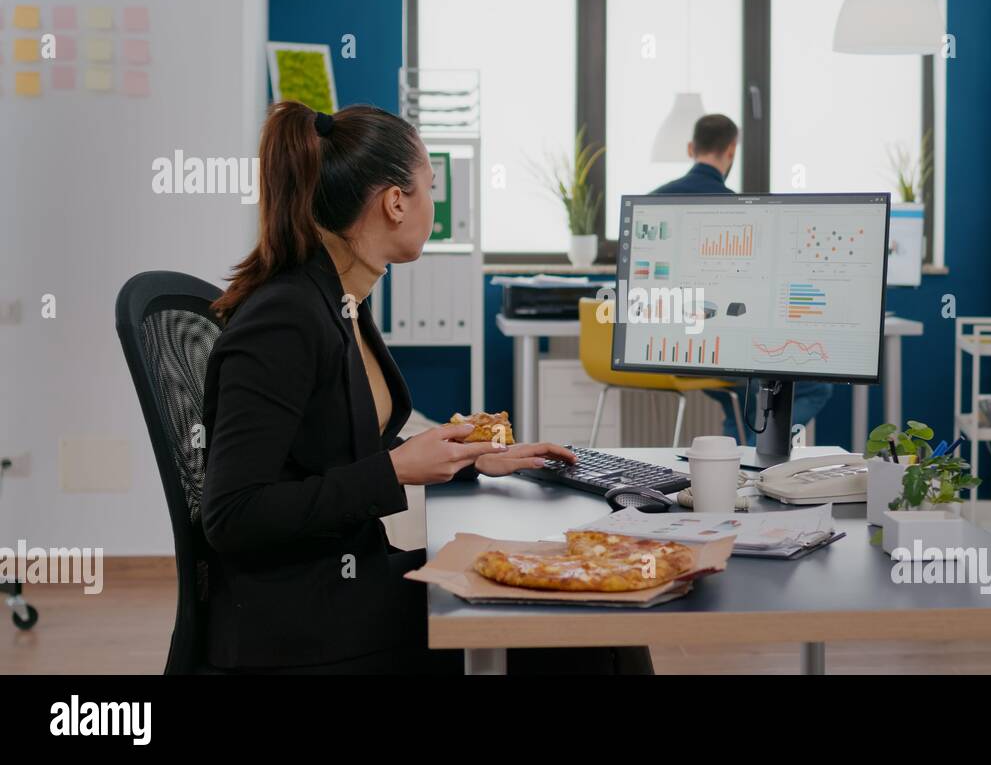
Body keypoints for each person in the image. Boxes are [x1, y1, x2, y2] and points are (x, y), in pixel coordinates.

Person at [202, 101, 652, 673]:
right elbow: (233, 515)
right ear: (395, 202)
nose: (433, 204)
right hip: (300, 621)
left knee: (582, 602)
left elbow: (326, 453)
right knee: (591, 627)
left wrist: (464, 458)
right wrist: (396, 471)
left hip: (342, 583)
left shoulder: (340, 302)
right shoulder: (286, 319)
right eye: (429, 187)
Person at [651, 114, 834, 441]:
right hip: (716, 348)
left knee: (740, 395)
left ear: (691, 148)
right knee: (814, 387)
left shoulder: (653, 201)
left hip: (662, 347)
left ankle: (734, 460)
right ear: (731, 151)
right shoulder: (738, 208)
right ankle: (753, 456)